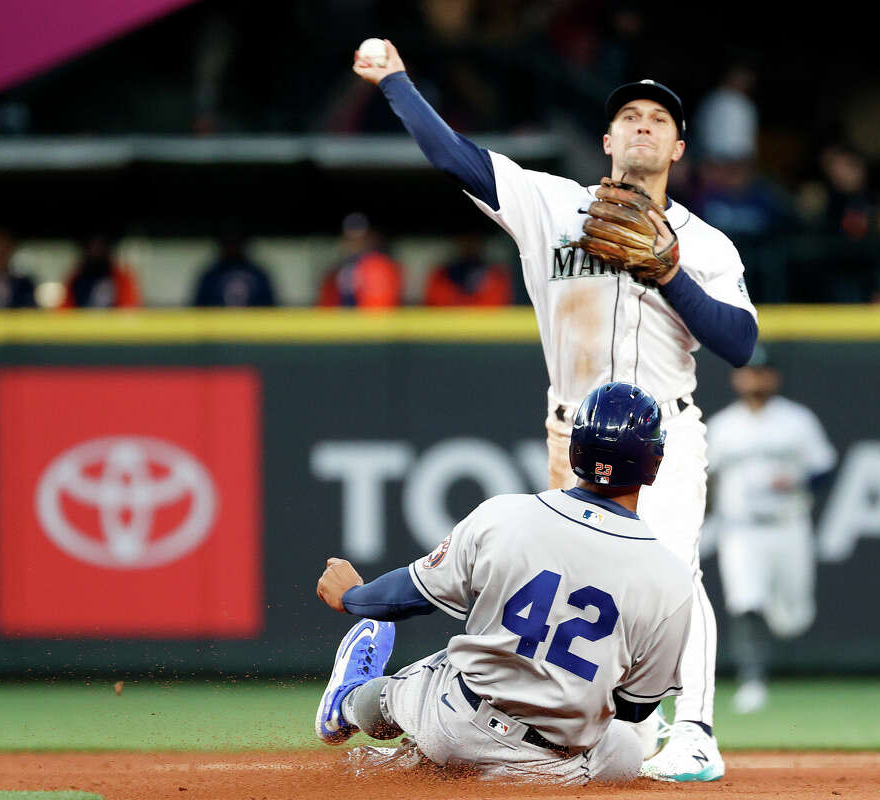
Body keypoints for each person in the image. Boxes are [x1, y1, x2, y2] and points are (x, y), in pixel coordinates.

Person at [353, 40, 758, 782]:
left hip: (661, 433)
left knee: (670, 567)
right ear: (606, 141)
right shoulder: (555, 207)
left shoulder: (705, 245)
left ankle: (695, 729)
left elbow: (740, 342)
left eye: (657, 119)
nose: (642, 126)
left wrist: (670, 273)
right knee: (546, 585)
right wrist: (395, 83)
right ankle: (460, 713)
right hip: (569, 432)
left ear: (678, 146)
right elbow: (457, 162)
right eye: (628, 117)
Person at [315, 382, 694, 784]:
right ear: (653, 463)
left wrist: (351, 597)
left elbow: (411, 596)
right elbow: (634, 708)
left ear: (576, 450)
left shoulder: (504, 515)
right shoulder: (670, 579)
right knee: (627, 746)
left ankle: (348, 704)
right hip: (551, 767)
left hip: (454, 721)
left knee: (434, 671)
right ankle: (456, 764)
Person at [703, 345, 836, 714]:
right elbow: (705, 481)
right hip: (741, 530)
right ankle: (753, 680)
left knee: (792, 617)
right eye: (749, 371)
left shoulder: (797, 421)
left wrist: (796, 480)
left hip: (788, 526)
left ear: (773, 377)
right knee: (746, 602)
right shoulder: (722, 426)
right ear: (736, 378)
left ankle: (779, 620)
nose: (755, 378)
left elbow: (824, 469)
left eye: (762, 371)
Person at [317, 213, 402, 308]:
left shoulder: (380, 265)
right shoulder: (337, 270)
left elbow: (383, 302)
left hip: (371, 316)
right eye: (350, 238)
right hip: (344, 316)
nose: (355, 242)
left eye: (360, 238)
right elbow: (328, 302)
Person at [191, 225, 278, 307]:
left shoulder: (258, 275)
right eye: (228, 240)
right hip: (217, 322)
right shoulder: (210, 276)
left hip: (252, 322)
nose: (232, 245)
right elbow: (198, 310)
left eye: (236, 240)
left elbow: (271, 309)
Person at [422, 234, 513, 306]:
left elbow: (493, 308)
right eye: (465, 239)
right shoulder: (442, 274)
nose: (469, 243)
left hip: (484, 327)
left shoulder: (495, 274)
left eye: (474, 239)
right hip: (448, 327)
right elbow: (436, 305)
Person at [62, 234, 142, 309]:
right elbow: (65, 310)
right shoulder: (76, 279)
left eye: (100, 246)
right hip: (81, 322)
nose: (96, 251)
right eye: (92, 246)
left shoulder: (122, 277)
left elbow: (130, 309)